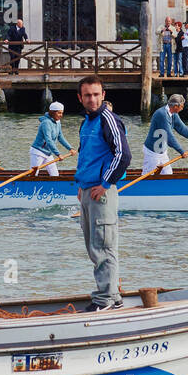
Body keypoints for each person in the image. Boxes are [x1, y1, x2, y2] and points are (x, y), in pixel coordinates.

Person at [73, 76, 131, 312]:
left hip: (102, 193)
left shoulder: (109, 119)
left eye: (96, 94)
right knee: (93, 245)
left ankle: (106, 299)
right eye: (87, 95)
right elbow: (85, 154)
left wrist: (105, 183)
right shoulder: (86, 122)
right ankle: (111, 295)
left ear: (103, 95)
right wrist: (81, 185)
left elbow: (123, 155)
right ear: (80, 98)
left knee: (104, 245)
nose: (92, 99)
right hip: (88, 190)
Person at [142, 94, 188, 175]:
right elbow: (168, 136)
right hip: (152, 152)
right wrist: (181, 151)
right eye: (182, 106)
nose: (182, 108)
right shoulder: (162, 115)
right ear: (176, 106)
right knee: (147, 176)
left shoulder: (173, 114)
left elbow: (182, 128)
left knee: (168, 174)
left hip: (162, 152)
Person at [29, 101, 72, 176]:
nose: (61, 115)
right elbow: (48, 140)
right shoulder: (46, 123)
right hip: (38, 152)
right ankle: (27, 187)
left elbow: (60, 137)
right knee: (33, 174)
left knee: (55, 175)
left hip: (48, 153)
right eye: (59, 113)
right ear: (52, 112)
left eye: (62, 113)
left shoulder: (58, 122)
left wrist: (70, 148)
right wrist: (58, 154)